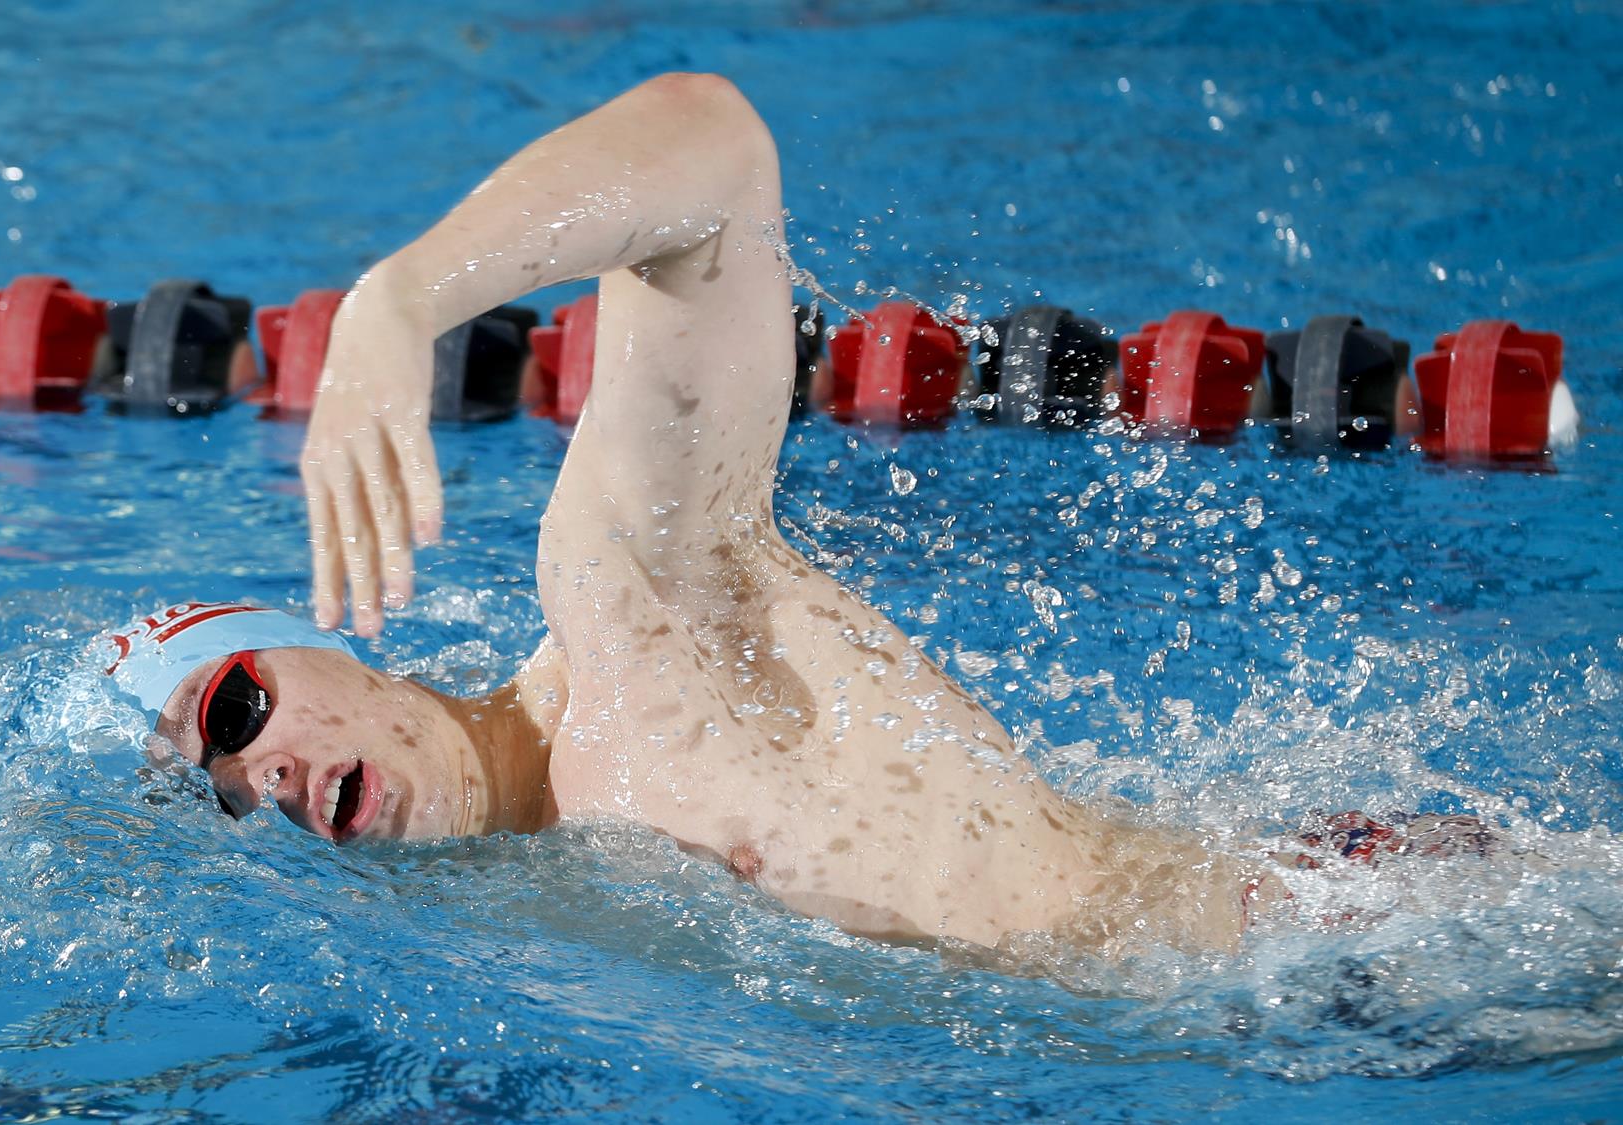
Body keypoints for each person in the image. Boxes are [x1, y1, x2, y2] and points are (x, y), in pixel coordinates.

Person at [107, 74, 1310, 965]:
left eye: (234, 707)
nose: (259, 779)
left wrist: (398, 301)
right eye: (216, 795)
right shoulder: (530, 914)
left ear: (320, 644)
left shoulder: (633, 613)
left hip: (1338, 963)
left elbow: (712, 157)